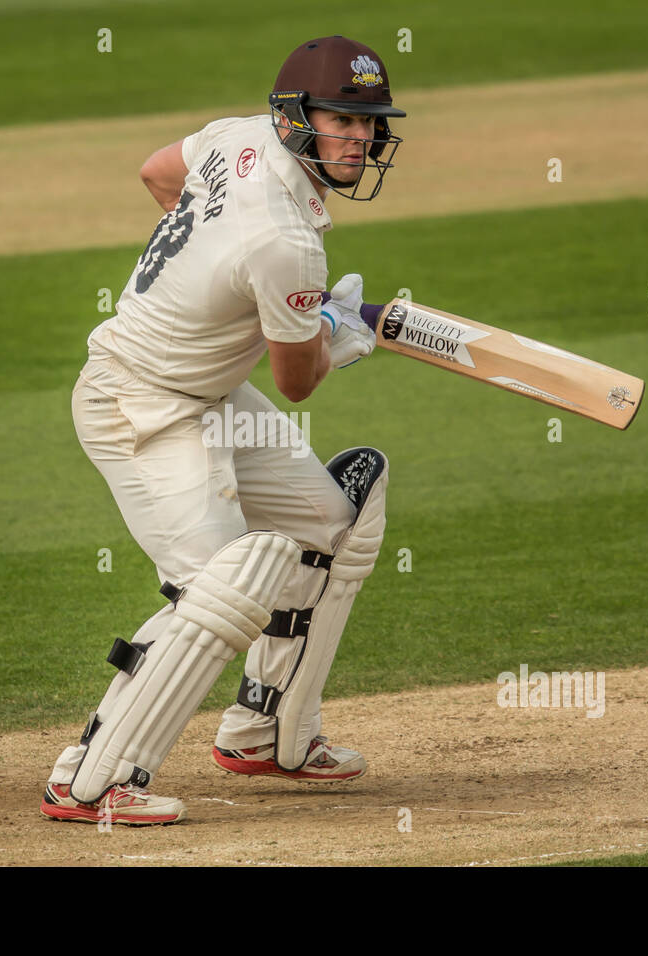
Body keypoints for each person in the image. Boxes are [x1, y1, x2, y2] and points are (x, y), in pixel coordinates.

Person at [41, 35, 404, 825]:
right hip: (139, 404)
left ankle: (270, 731)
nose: (360, 140)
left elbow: (156, 173)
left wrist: (226, 275)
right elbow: (297, 382)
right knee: (222, 583)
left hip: (206, 393)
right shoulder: (286, 245)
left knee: (333, 523)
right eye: (342, 121)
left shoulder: (238, 135)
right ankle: (91, 777)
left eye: (370, 123)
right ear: (296, 118)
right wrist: (334, 333)